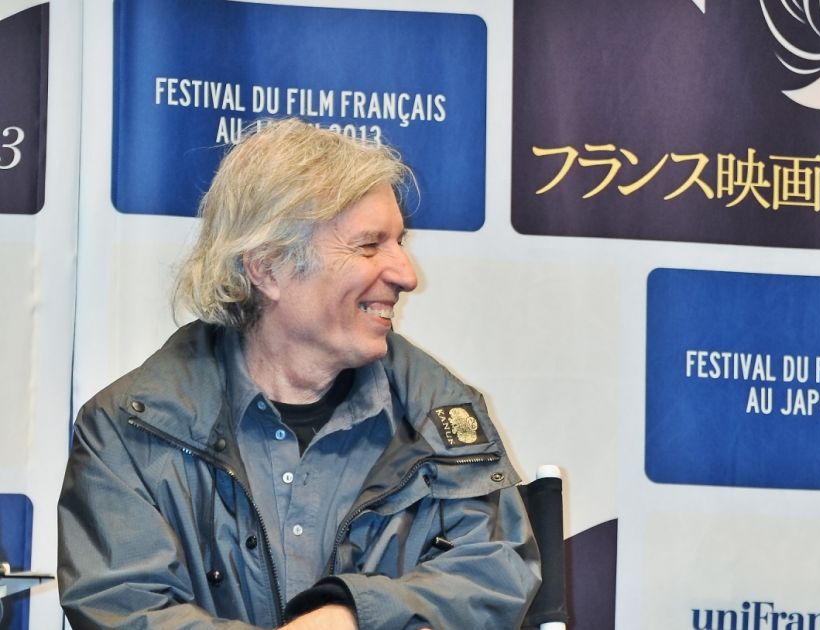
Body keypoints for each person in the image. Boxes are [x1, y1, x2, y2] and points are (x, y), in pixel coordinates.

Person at [58, 118, 540, 629]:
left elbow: (494, 578)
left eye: (400, 241)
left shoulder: (443, 419)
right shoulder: (129, 429)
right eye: (370, 245)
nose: (407, 274)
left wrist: (355, 616)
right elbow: (123, 609)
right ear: (267, 267)